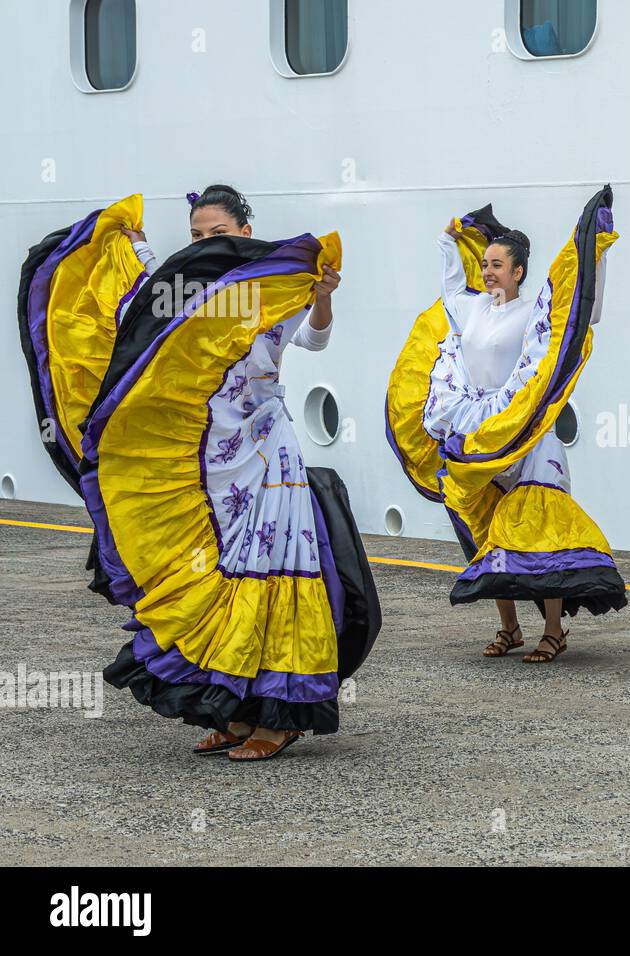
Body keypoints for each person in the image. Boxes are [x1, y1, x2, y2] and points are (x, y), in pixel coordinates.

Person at [69, 185, 378, 761]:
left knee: (269, 574)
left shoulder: (266, 288)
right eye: (196, 236)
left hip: (264, 452)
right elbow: (148, 308)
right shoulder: (192, 293)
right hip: (212, 453)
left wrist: (323, 295)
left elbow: (312, 336)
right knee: (218, 576)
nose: (205, 244)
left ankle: (279, 719)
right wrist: (133, 251)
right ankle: (234, 711)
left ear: (242, 231)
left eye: (216, 234)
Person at [386, 187, 625, 663]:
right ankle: (509, 629)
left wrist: (594, 249)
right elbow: (450, 282)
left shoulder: (532, 311)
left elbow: (585, 310)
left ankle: (554, 631)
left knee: (539, 532)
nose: (488, 271)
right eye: (486, 263)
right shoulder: (470, 308)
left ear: (518, 271)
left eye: (497, 265)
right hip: (480, 434)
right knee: (488, 531)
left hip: (530, 439)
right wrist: (447, 236)